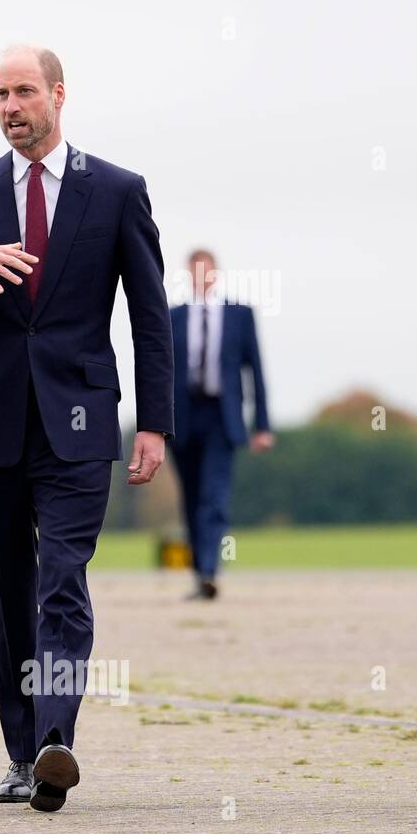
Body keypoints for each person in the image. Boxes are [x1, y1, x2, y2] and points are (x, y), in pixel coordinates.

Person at [0, 45, 174, 812]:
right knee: (8, 594)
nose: (10, 106)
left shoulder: (118, 191)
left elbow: (150, 317)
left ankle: (57, 739)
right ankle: (23, 754)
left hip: (82, 422)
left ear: (59, 95)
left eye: (24, 91)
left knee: (62, 580)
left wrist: (154, 422)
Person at [170, 249, 273, 600]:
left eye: (206, 271)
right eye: (195, 272)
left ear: (216, 274)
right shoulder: (173, 318)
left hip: (222, 417)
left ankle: (211, 570)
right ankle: (200, 572)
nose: (201, 277)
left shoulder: (240, 316)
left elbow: (255, 369)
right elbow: (158, 371)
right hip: (182, 417)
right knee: (191, 497)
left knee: (214, 496)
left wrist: (262, 425)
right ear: (189, 275)